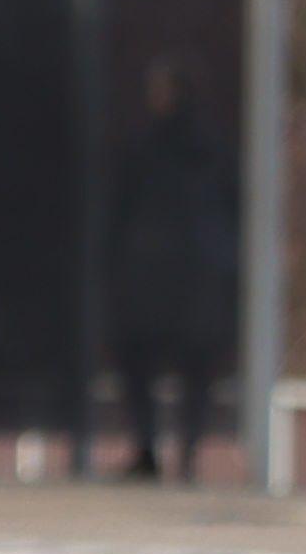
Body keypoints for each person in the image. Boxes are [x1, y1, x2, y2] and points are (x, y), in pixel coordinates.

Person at [101, 50, 239, 485]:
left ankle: (175, 453)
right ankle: (166, 452)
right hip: (174, 282)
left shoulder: (176, 150)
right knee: (163, 366)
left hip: (172, 281)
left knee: (180, 367)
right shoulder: (194, 149)